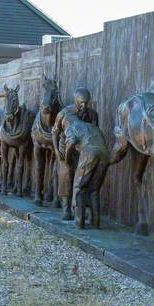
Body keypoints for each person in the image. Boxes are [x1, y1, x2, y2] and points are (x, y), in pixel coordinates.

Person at [52, 87, 99, 220]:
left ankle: (80, 208)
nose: (84, 105)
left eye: (86, 102)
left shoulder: (92, 115)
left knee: (83, 177)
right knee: (66, 175)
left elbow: (94, 132)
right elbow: (54, 132)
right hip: (65, 146)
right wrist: (56, 151)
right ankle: (66, 207)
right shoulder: (64, 113)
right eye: (81, 102)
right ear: (76, 100)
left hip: (83, 149)